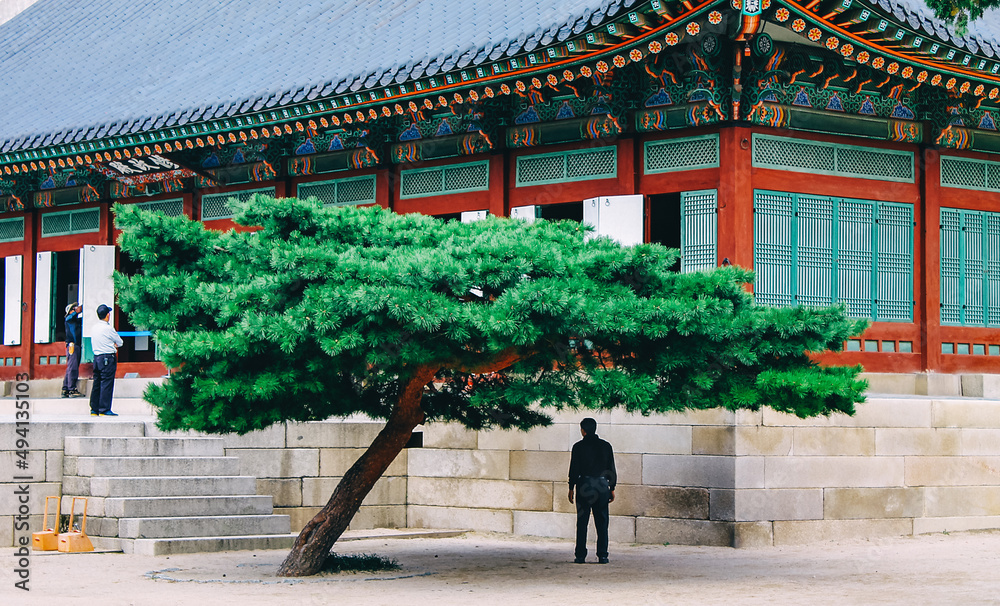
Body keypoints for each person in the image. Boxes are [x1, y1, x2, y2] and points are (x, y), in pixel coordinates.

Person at [568, 417, 617, 564]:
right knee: (602, 522)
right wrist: (612, 487)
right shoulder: (606, 446)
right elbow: (611, 468)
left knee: (582, 522)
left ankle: (580, 555)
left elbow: (574, 469)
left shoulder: (578, 447)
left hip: (584, 484)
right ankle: (603, 555)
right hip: (602, 486)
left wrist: (571, 487)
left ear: (583, 430)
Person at [89, 304, 123, 417]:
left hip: (97, 357)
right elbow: (120, 342)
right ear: (108, 315)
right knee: (107, 383)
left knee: (97, 383)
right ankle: (104, 409)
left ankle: (94, 409)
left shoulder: (94, 328)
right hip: (108, 358)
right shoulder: (108, 328)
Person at [61, 302, 84, 398]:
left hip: (76, 345)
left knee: (71, 367)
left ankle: (66, 388)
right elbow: (69, 317)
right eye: (74, 309)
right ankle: (72, 389)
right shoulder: (69, 319)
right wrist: (76, 312)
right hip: (72, 346)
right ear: (70, 311)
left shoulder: (75, 321)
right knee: (73, 368)